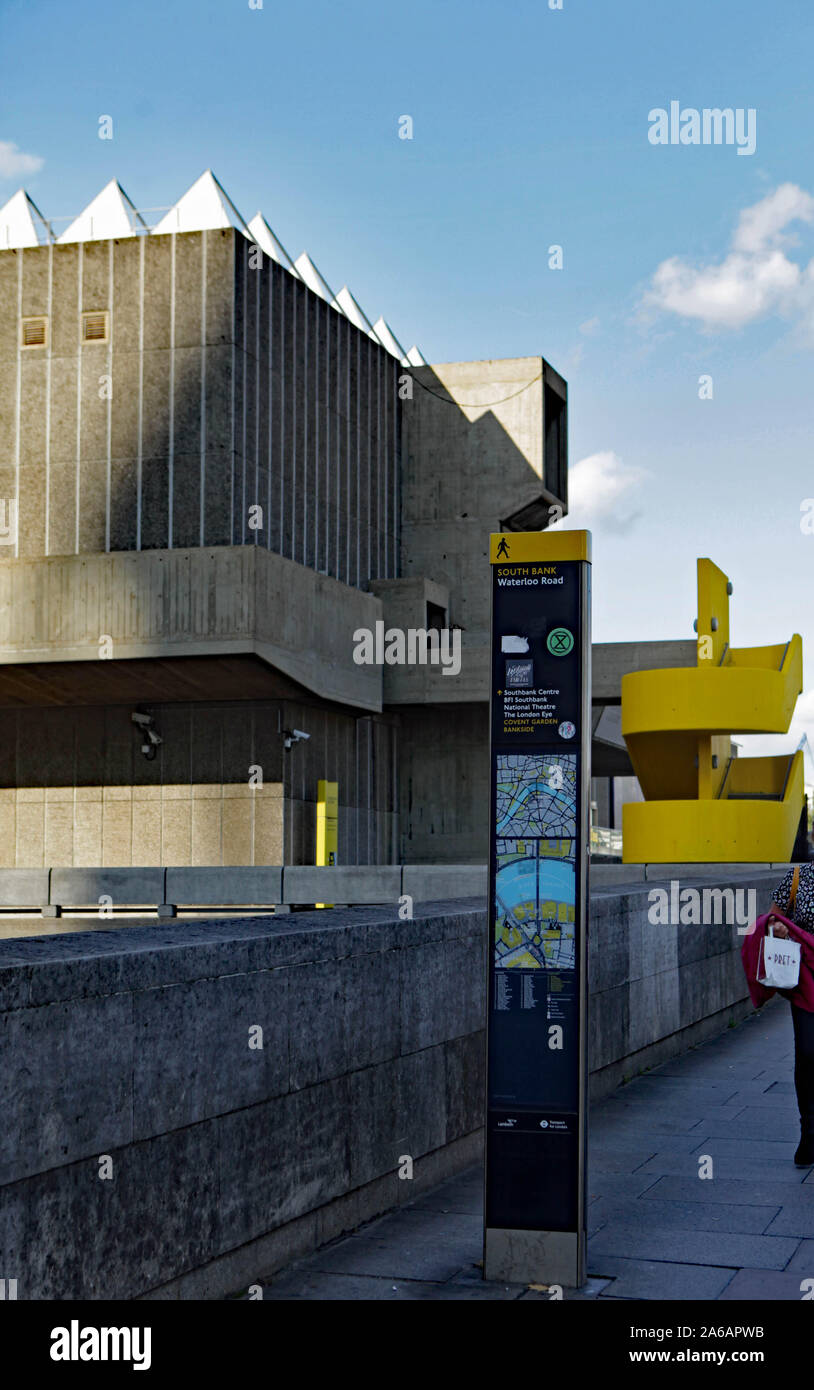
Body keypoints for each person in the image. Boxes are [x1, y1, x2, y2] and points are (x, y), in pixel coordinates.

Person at [768, 862, 814, 1166]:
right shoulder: (799, 876)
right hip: (806, 980)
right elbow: (772, 919)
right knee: (808, 1052)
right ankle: (809, 1132)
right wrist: (779, 928)